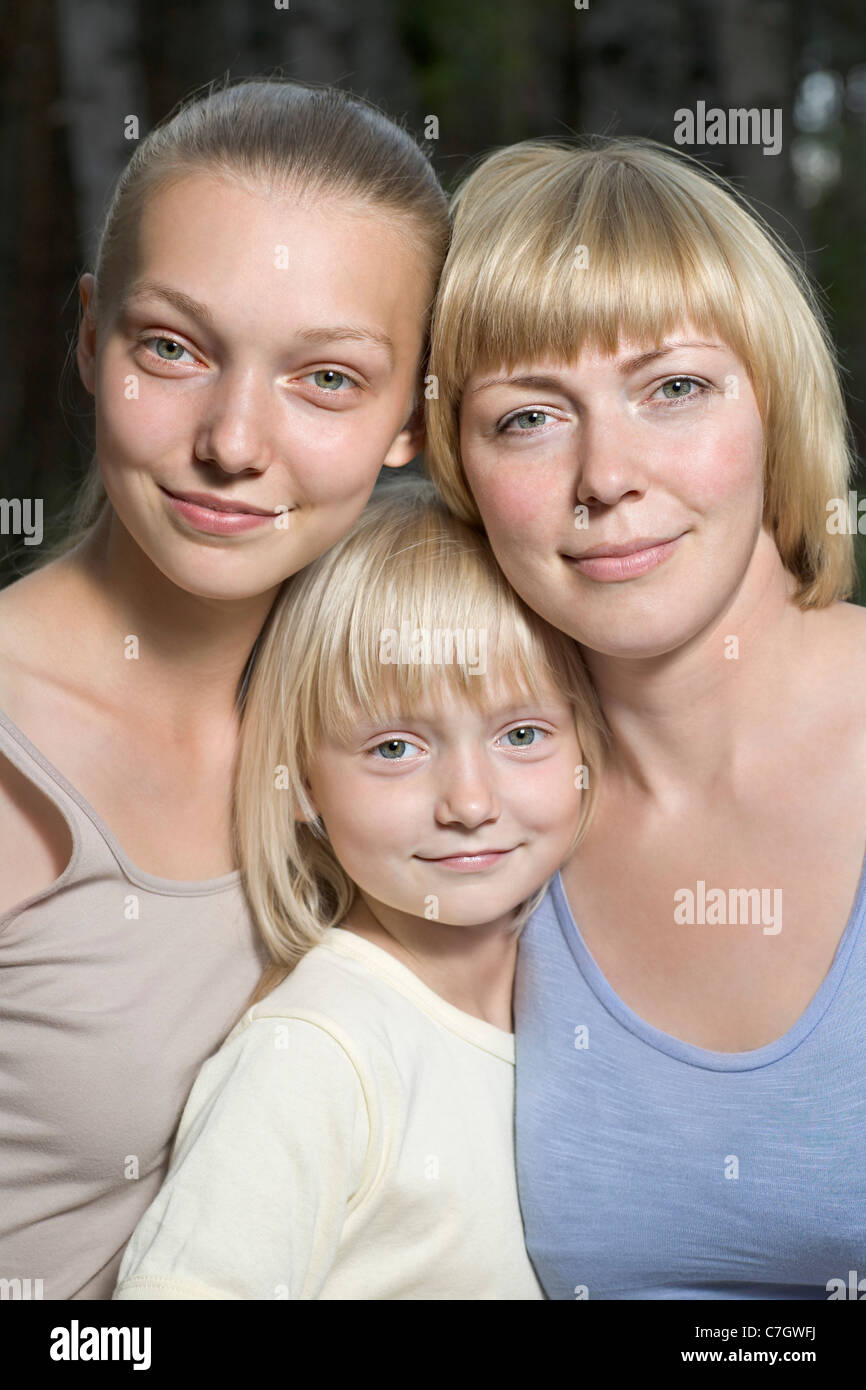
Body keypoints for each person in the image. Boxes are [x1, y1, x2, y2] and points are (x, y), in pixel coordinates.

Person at [0, 78, 449, 1300]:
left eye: (327, 379)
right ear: (89, 338)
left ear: (410, 417)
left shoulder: (393, 718)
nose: (235, 441)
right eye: (174, 348)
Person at [425, 136, 866, 1299]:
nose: (605, 473)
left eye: (673, 388)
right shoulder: (473, 813)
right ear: (456, 471)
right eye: (526, 416)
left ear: (775, 404)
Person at [112, 478, 604, 1300]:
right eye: (395, 749)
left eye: (522, 734)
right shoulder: (315, 1052)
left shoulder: (579, 997)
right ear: (303, 782)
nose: (471, 803)